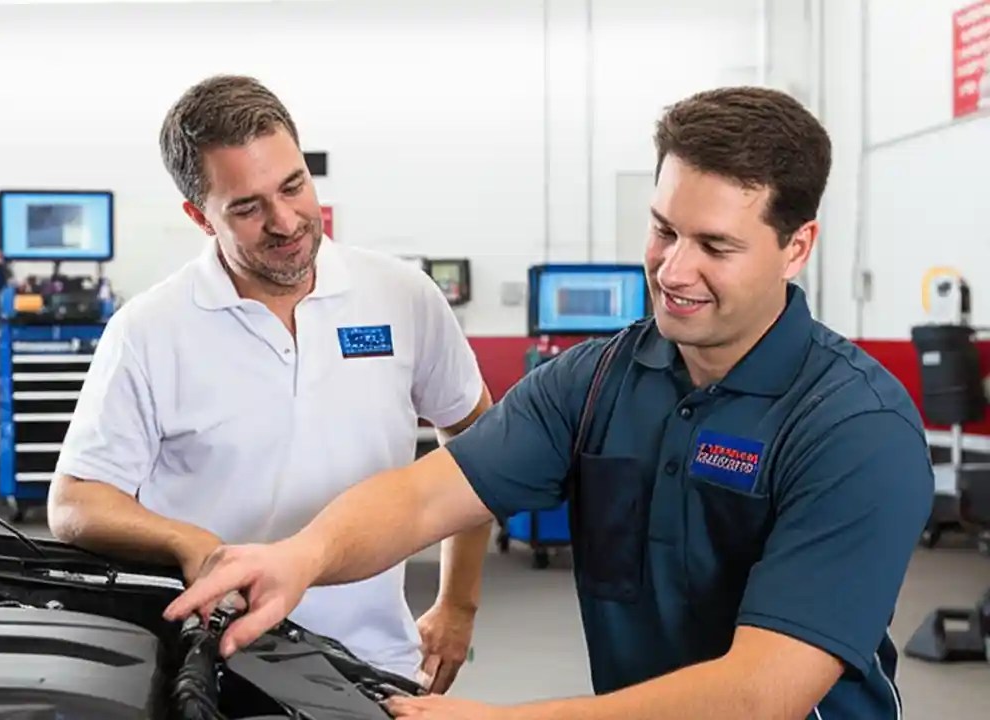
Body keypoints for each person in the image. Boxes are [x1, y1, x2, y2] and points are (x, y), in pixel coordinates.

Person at [165, 86, 936, 720]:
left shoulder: (854, 428)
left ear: (796, 246)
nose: (672, 269)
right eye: (663, 230)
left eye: (715, 246)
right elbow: (425, 496)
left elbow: (765, 692)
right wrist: (302, 557)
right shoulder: (597, 379)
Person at [46, 74, 494, 691]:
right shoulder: (150, 329)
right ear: (200, 217)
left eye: (294, 186)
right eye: (248, 207)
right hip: (216, 665)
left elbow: (479, 452)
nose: (286, 222)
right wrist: (188, 542)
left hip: (375, 665)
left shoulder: (401, 297)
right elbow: (75, 503)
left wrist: (458, 604)